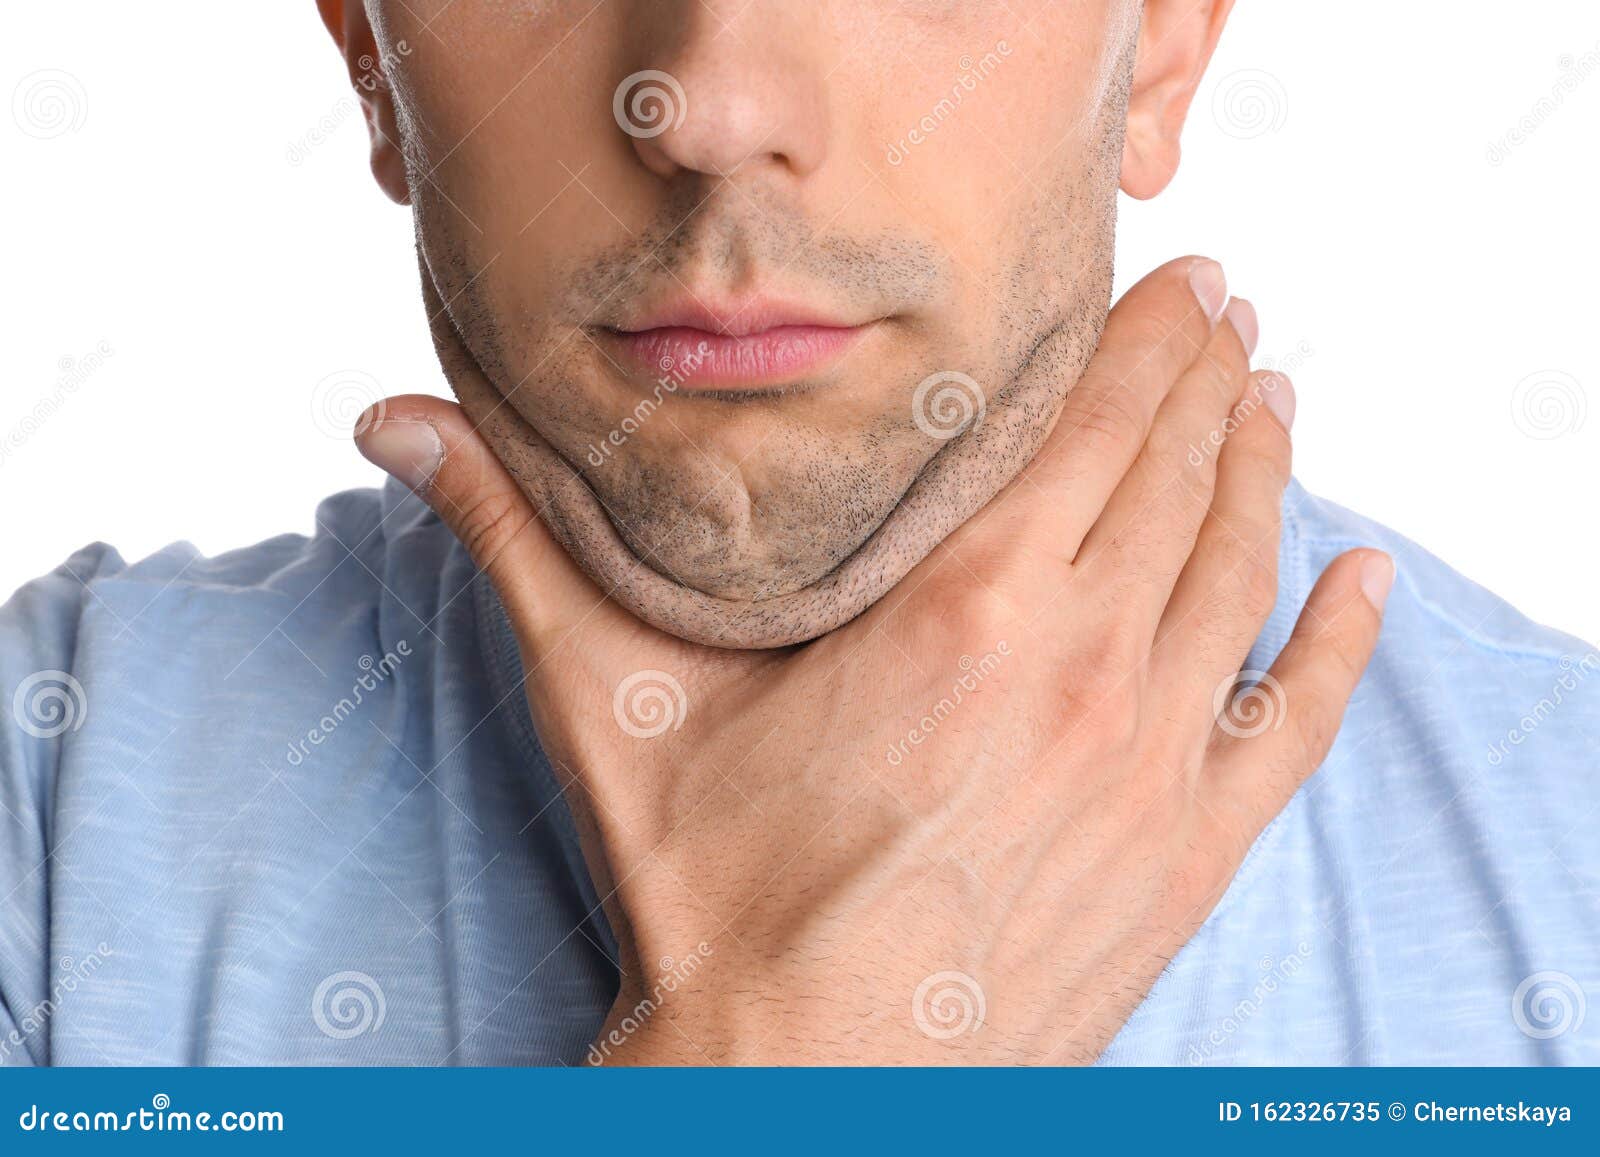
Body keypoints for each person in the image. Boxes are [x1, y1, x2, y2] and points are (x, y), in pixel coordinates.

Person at [1, 0, 1594, 1066]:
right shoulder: (47, 817)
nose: (706, 102)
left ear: (1164, 42)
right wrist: (800, 1044)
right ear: (368, 52)